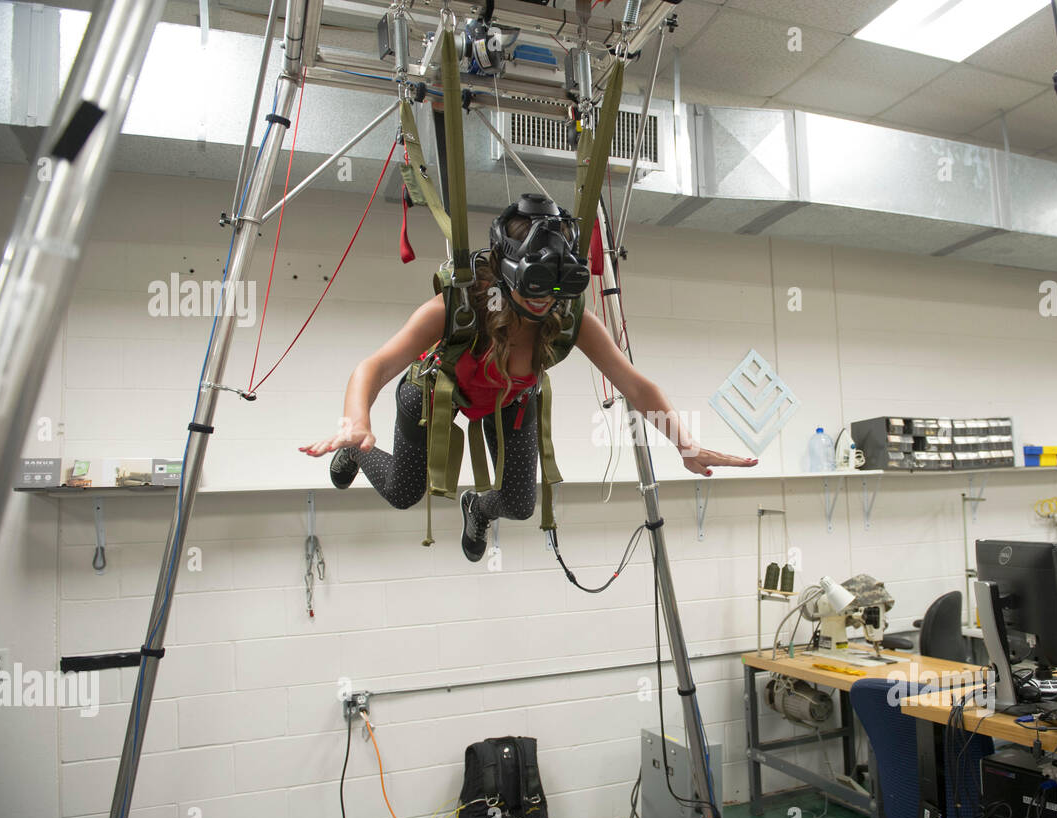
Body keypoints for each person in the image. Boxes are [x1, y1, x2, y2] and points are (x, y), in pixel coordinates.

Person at [299, 194, 756, 561]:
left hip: (511, 399)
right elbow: (373, 367)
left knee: (519, 505)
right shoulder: (460, 306)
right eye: (535, 283)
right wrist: (355, 421)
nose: (545, 300)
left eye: (559, 283)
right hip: (437, 392)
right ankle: (353, 456)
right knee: (404, 492)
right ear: (507, 269)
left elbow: (636, 385)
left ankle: (475, 508)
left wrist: (685, 443)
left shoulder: (567, 313)